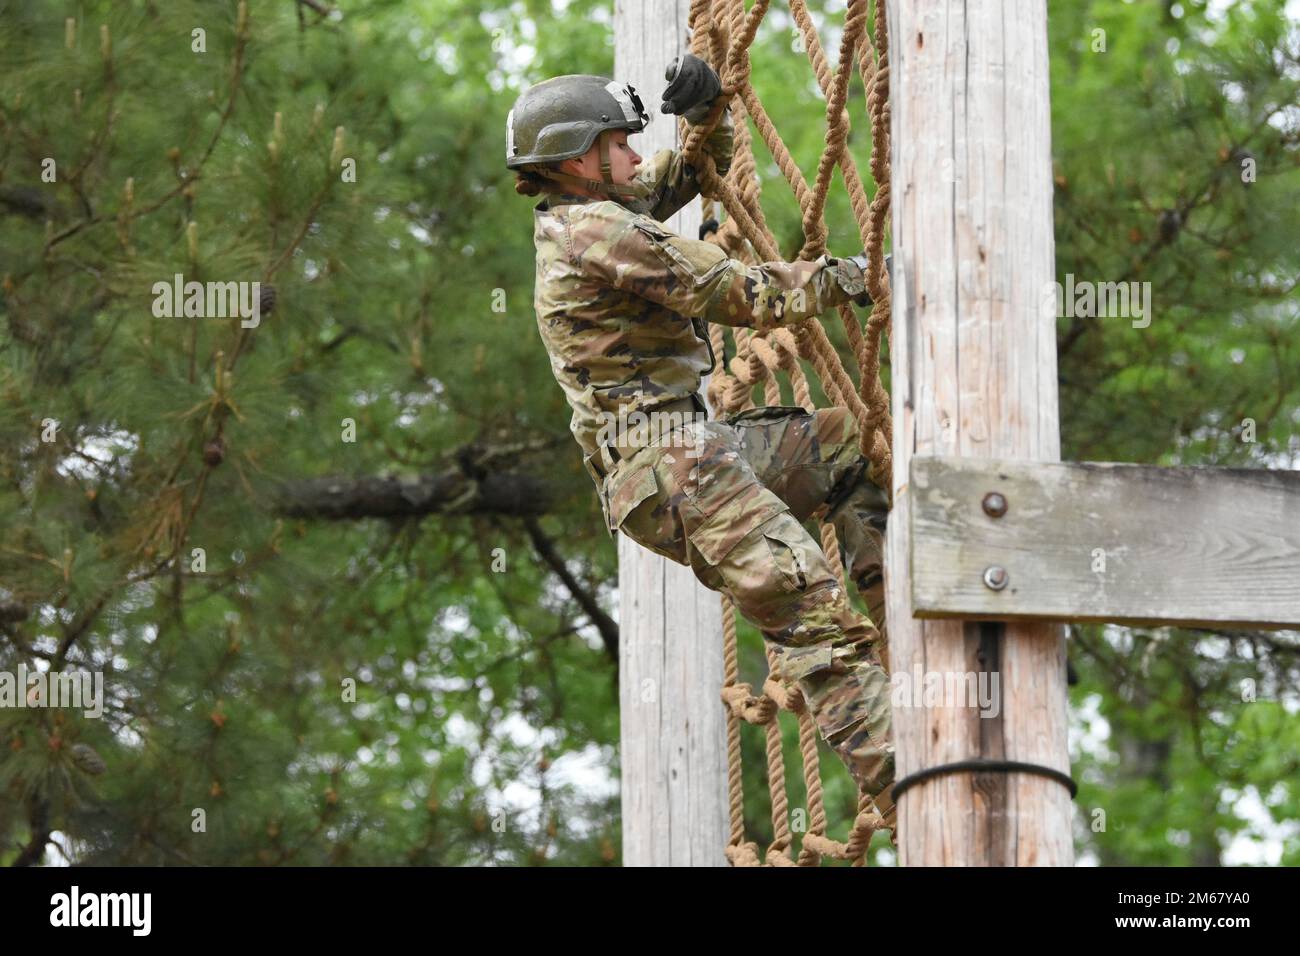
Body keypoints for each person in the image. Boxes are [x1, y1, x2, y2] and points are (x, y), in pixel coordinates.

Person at [506, 57, 897, 839]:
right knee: (806, 610)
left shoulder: (600, 204)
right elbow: (741, 295)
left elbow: (689, 171)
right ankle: (908, 779)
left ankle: (899, 616)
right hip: (671, 469)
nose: (629, 155)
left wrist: (708, 111)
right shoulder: (591, 230)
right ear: (578, 158)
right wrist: (857, 276)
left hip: (689, 454)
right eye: (617, 142)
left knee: (849, 447)